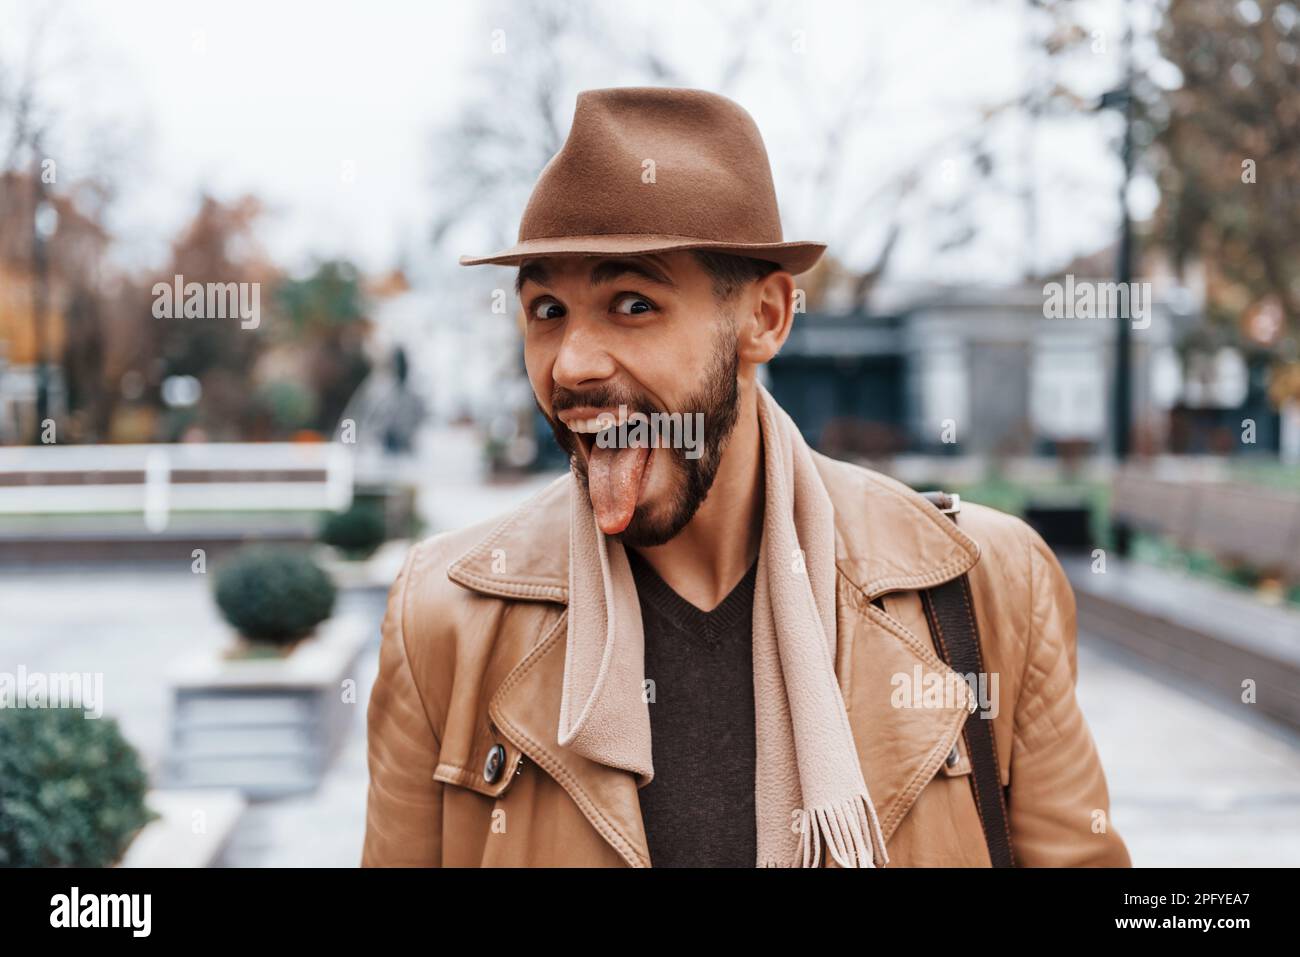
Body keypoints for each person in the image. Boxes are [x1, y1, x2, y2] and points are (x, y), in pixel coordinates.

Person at [361, 87, 1131, 868]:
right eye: (548, 309)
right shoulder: (442, 619)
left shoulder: (985, 585)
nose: (572, 363)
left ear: (765, 318)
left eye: (632, 303)